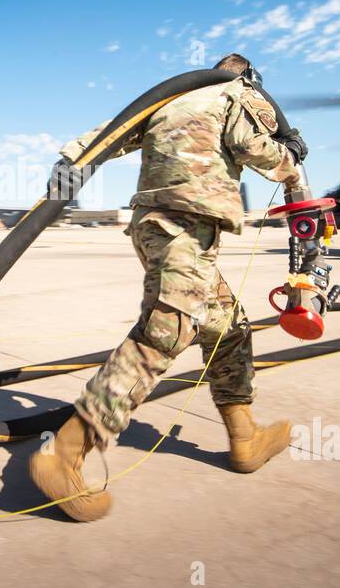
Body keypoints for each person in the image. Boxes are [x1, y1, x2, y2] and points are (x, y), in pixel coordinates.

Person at [29, 54, 306, 521]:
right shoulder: (236, 94)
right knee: (167, 331)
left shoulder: (169, 99)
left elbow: (112, 132)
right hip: (188, 226)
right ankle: (66, 452)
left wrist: (70, 159)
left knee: (229, 326)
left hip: (154, 225)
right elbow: (257, 149)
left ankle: (245, 439)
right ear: (248, 77)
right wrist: (291, 153)